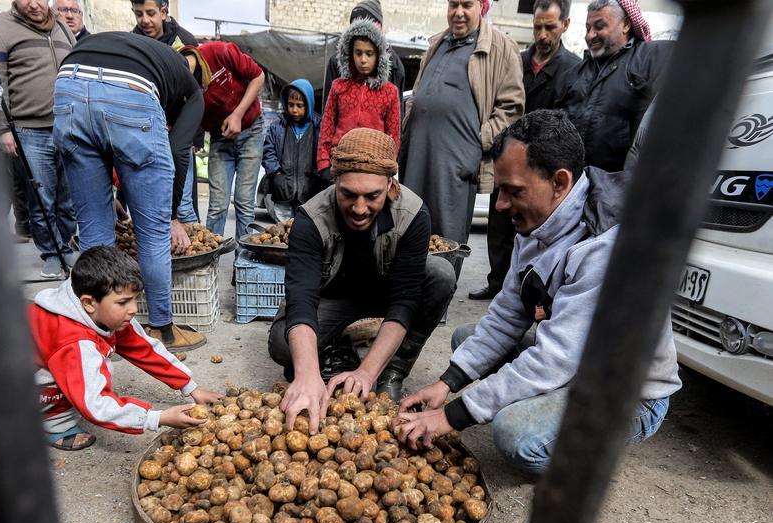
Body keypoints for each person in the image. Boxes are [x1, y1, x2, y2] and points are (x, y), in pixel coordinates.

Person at [394, 110, 681, 474]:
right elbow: (508, 313)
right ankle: (555, 401)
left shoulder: (607, 246)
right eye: (499, 190)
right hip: (577, 361)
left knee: (516, 435)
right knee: (466, 341)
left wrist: (451, 416)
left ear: (559, 183)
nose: (499, 204)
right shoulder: (541, 223)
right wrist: (447, 383)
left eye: (513, 191)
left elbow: (556, 358)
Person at [269, 128, 457, 433]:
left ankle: (391, 372)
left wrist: (367, 373)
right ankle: (337, 348)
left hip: (386, 291)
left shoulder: (414, 214)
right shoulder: (311, 218)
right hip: (333, 297)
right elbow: (301, 299)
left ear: (391, 185)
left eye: (372, 196)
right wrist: (306, 376)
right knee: (282, 343)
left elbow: (404, 301)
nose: (359, 208)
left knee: (439, 274)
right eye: (348, 194)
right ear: (335, 182)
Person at [53, 31, 206, 351]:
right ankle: (162, 329)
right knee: (153, 230)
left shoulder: (140, 50)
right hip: (129, 89)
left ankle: (99, 333)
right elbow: (180, 152)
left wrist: (108, 199)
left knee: (95, 231)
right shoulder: (191, 88)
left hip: (67, 82)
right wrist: (173, 215)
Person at [29, 246, 221, 449]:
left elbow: (145, 349)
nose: (134, 309)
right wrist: (156, 418)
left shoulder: (100, 308)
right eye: (123, 302)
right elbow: (95, 404)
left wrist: (190, 386)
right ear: (89, 303)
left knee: (90, 369)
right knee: (84, 378)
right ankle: (55, 422)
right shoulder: (74, 341)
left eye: (136, 299)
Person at [470, 0, 581, 301]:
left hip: (541, 166)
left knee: (533, 230)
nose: (542, 35)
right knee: (499, 225)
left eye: (550, 27)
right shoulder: (516, 62)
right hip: (508, 158)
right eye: (537, 27)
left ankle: (527, 290)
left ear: (565, 25)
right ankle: (497, 283)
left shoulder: (573, 69)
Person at [399, 0, 524, 248]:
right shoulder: (436, 43)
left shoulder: (500, 46)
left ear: (481, 7)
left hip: (455, 167)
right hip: (415, 159)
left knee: (446, 240)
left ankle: (442, 287)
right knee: (408, 228)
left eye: (466, 5)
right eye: (453, 4)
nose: (458, 12)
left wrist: (476, 145)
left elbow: (511, 109)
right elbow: (416, 96)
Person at [0, 0, 78, 278]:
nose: (34, 4)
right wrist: (2, 128)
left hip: (66, 125)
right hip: (28, 129)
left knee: (67, 197)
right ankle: (51, 253)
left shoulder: (62, 27)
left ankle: (66, 247)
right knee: (41, 196)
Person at [556, 0, 672, 172]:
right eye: (588, 28)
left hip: (620, 187)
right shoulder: (573, 75)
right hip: (574, 183)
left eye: (599, 26)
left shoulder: (651, 58)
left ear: (625, 24)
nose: (590, 35)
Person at [180, 43, 265, 241]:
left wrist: (238, 114)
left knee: (244, 202)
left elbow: (258, 76)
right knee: (217, 206)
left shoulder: (219, 52)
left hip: (251, 129)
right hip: (220, 137)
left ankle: (244, 264)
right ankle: (211, 264)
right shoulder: (181, 89)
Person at [317, 18, 401, 181]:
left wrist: (388, 168)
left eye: (369, 54)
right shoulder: (338, 87)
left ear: (379, 56)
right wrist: (324, 165)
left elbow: (393, 135)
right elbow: (326, 127)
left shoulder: (389, 92)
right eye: (358, 53)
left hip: (374, 167)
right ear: (349, 54)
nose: (363, 60)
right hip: (339, 165)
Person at [322, 0, 405, 116]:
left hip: (376, 133)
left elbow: (395, 117)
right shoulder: (336, 62)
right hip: (344, 133)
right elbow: (328, 113)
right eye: (356, 26)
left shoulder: (394, 66)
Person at [262, 79, 323, 222]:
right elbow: (268, 151)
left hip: (309, 196)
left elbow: (323, 154)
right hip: (282, 193)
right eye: (291, 105)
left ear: (309, 104)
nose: (294, 110)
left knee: (304, 236)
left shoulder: (319, 127)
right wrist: (276, 174)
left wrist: (317, 176)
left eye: (300, 106)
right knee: (283, 234)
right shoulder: (278, 126)